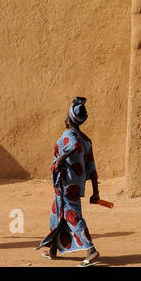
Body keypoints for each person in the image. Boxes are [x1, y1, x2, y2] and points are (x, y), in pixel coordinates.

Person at [38, 96, 101, 265]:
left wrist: (60, 160)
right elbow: (92, 169)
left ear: (70, 118)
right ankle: (52, 250)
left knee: (72, 216)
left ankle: (91, 249)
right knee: (57, 213)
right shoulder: (86, 140)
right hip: (74, 185)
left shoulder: (70, 135)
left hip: (66, 184)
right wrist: (96, 192)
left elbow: (73, 147)